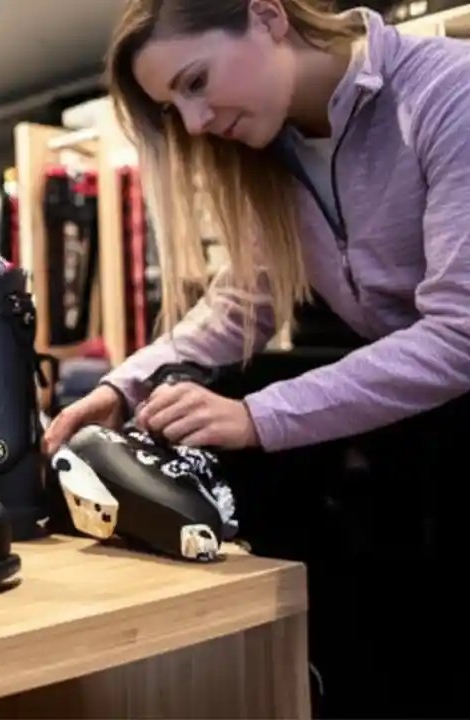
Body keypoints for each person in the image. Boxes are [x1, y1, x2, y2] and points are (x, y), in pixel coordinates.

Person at [42, 1, 470, 717]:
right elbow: (247, 297)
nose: (194, 122)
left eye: (196, 81)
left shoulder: (449, 93)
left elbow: (460, 334)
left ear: (268, 16)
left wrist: (257, 417)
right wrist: (124, 386)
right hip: (422, 436)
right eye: (173, 106)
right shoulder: (282, 149)